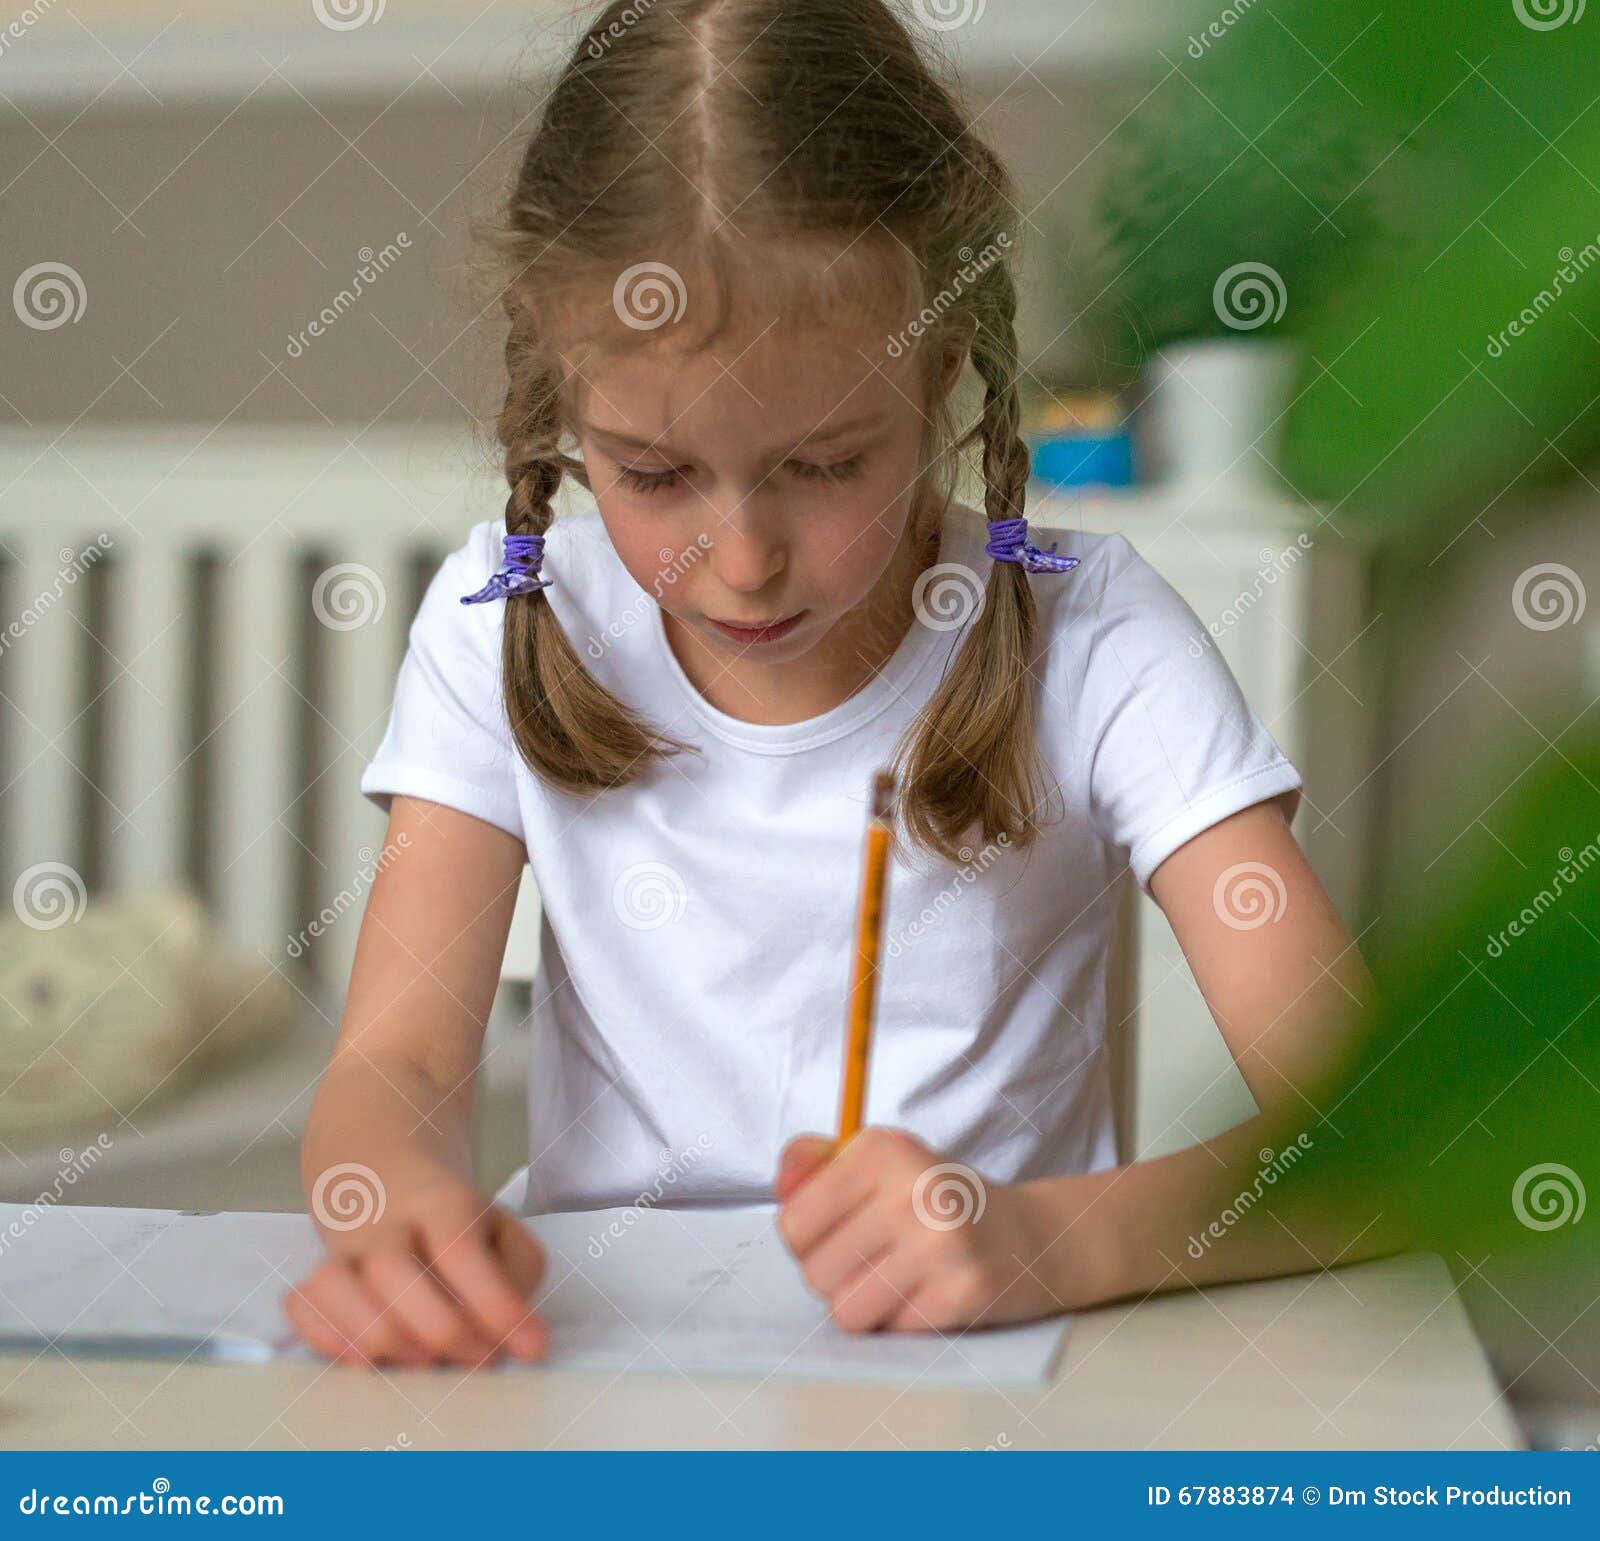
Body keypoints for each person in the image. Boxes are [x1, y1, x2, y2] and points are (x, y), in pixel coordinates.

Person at [286, 0, 1374, 1368]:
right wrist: (390, 1201)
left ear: (947, 368)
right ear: (557, 385)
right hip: (586, 1388)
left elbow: (1375, 1134)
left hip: (978, 1405)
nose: (740, 560)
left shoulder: (1096, 640)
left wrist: (1046, 1238)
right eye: (654, 472)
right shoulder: (504, 616)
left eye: (824, 464)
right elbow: (401, 1065)